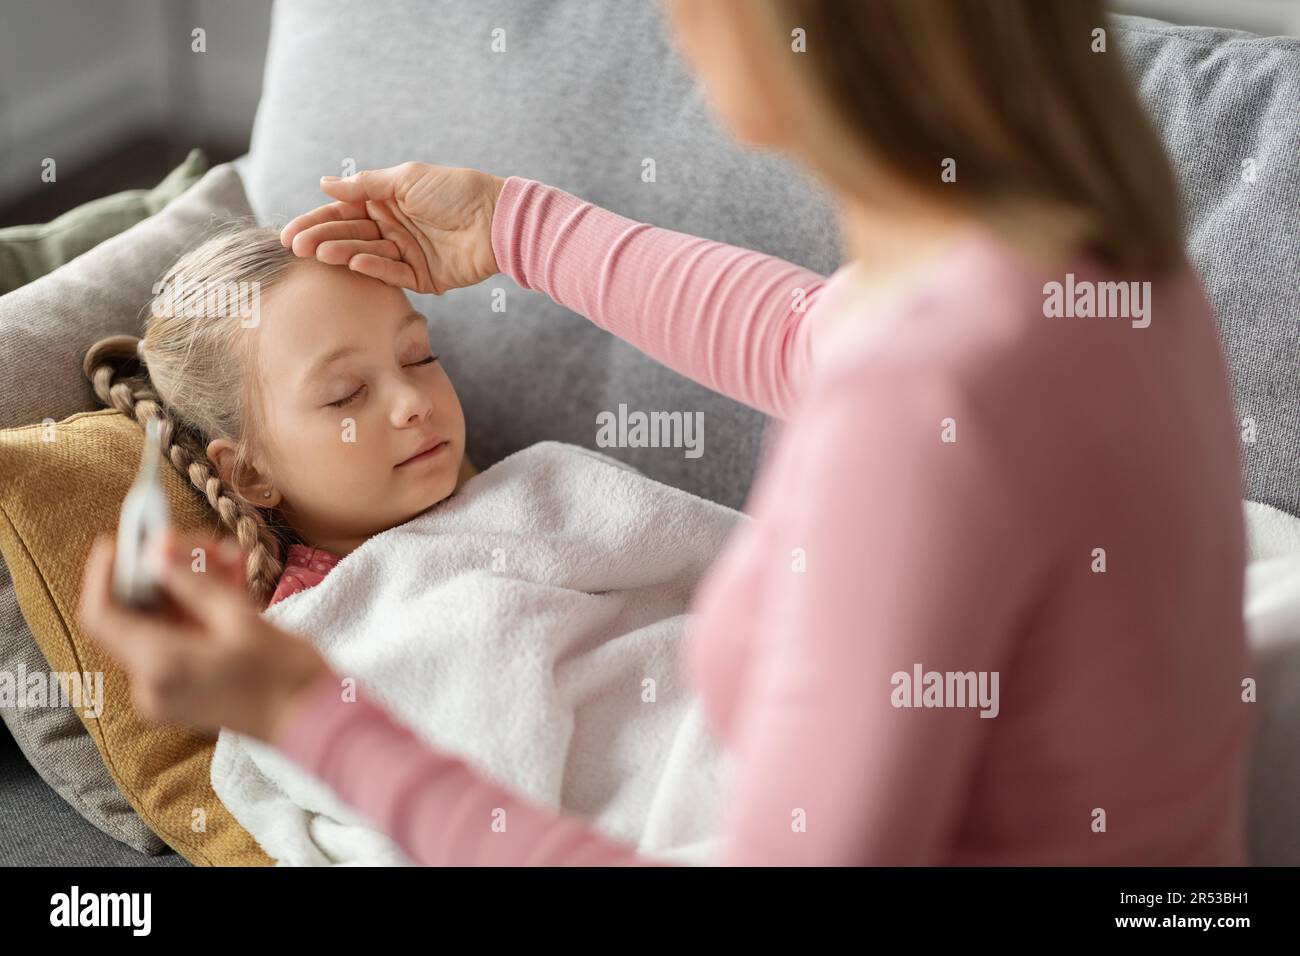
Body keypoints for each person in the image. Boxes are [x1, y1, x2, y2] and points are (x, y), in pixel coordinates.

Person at [78, 0, 1249, 865]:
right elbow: (805, 329)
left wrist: (298, 711)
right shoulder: (1103, 267)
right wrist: (511, 223)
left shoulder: (928, 408)